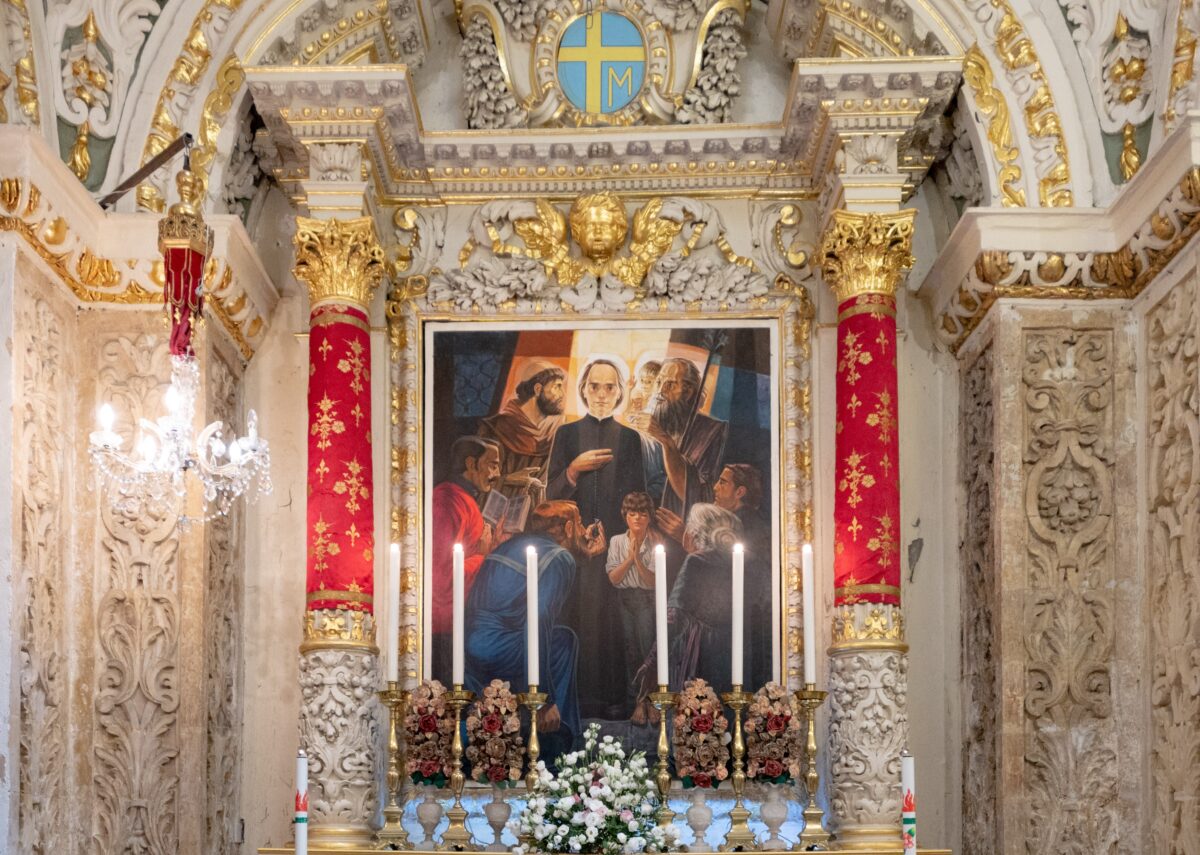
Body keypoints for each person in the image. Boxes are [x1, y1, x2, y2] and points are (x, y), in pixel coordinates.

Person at [464, 500, 606, 765]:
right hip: (500, 647)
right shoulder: (559, 557)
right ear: (567, 527)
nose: (584, 530)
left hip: (471, 647)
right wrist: (543, 697)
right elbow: (538, 620)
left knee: (558, 638)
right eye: (579, 524)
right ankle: (561, 743)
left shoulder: (510, 545)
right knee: (564, 641)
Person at [546, 357, 646, 718]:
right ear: (583, 390)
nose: (602, 394)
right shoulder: (567, 435)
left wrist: (621, 541)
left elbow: (639, 498)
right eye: (594, 386)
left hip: (617, 550)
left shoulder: (631, 439)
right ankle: (575, 700)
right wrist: (573, 470)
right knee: (577, 619)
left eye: (609, 387)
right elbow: (549, 496)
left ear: (620, 392)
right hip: (572, 550)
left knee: (613, 625)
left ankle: (615, 701)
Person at [629, 357, 728, 535]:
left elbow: (703, 498)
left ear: (688, 391)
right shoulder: (646, 432)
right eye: (658, 383)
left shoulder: (712, 432)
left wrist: (664, 439)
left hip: (684, 533)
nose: (659, 391)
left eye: (670, 384)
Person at [430, 436, 500, 684]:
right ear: (471, 464)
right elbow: (442, 577)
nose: (497, 473)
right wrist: (484, 555)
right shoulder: (447, 500)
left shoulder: (461, 497)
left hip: (461, 620)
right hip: (445, 627)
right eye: (492, 465)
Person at [667, 503, 743, 694]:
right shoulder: (736, 562)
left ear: (696, 531)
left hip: (700, 648)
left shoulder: (696, 561)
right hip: (733, 645)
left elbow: (673, 615)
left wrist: (653, 659)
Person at [604, 491, 663, 723]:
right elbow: (614, 578)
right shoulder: (617, 541)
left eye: (642, 513)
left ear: (649, 517)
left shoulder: (656, 541)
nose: (637, 518)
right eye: (632, 514)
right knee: (631, 651)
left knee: (648, 650)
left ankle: (652, 702)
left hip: (647, 600)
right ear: (625, 516)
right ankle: (636, 703)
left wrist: (638, 558)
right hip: (625, 600)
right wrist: (630, 557)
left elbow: (652, 581)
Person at [712, 463, 771, 689]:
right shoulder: (737, 522)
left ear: (740, 492)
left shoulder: (743, 525)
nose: (715, 488)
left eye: (723, 482)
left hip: (746, 618)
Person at [478, 360, 567, 507]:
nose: (562, 394)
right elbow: (478, 481)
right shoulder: (494, 428)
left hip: (542, 518)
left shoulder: (558, 431)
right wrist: (509, 479)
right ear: (538, 389)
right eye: (557, 387)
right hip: (499, 515)